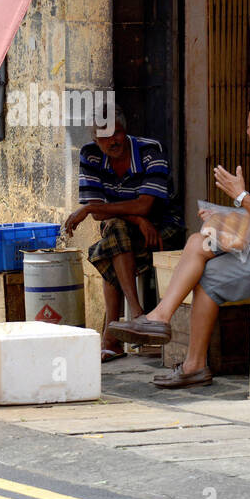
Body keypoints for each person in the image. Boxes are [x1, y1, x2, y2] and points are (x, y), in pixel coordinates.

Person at [108, 98, 250, 389]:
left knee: (207, 278)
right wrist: (227, 215)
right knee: (199, 240)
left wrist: (241, 196)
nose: (247, 132)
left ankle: (187, 355)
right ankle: (160, 319)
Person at [63, 107, 183, 363]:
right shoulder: (90, 155)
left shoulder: (151, 151)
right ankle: (137, 316)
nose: (112, 141)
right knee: (115, 233)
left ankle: (112, 337)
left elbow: (146, 205)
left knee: (111, 242)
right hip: (126, 229)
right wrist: (137, 219)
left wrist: (96, 207)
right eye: (104, 137)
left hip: (162, 227)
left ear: (125, 132)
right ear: (95, 140)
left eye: (116, 133)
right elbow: (101, 215)